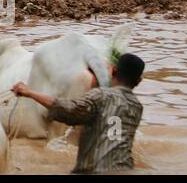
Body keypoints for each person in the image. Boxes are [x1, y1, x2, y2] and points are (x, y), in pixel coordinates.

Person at [11, 53, 146, 174]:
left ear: (113, 71)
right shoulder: (137, 107)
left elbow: (68, 110)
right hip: (126, 169)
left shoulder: (100, 95)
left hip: (93, 170)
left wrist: (29, 92)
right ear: (139, 81)